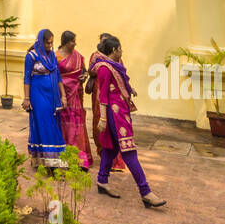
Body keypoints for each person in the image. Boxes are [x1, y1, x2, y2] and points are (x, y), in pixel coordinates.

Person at [94, 34, 166, 208]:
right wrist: (103, 118)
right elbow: (102, 95)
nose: (122, 51)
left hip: (120, 111)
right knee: (128, 151)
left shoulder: (114, 66)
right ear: (113, 50)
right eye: (120, 49)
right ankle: (145, 192)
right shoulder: (104, 68)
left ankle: (102, 180)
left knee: (113, 147)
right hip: (114, 114)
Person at [22, 29, 66, 168]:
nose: (50, 46)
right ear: (41, 41)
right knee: (44, 123)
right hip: (37, 94)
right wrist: (27, 98)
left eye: (52, 43)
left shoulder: (52, 55)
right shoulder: (32, 56)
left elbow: (58, 76)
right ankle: (49, 161)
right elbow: (27, 77)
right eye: (48, 43)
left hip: (52, 95)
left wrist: (63, 96)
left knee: (53, 122)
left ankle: (48, 159)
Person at [87, 36, 126, 172]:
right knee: (102, 124)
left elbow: (123, 75)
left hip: (117, 101)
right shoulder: (100, 61)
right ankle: (104, 156)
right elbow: (91, 72)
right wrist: (103, 118)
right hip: (101, 94)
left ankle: (110, 166)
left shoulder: (117, 59)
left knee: (115, 131)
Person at [56, 30, 92, 169]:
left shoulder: (78, 56)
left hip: (76, 94)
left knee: (77, 125)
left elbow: (84, 71)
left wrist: (84, 76)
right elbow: (54, 76)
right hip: (62, 95)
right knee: (64, 126)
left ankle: (79, 158)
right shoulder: (56, 56)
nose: (75, 43)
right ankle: (64, 156)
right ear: (66, 42)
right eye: (73, 41)